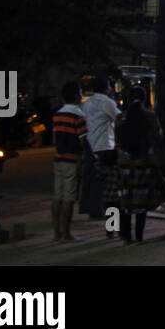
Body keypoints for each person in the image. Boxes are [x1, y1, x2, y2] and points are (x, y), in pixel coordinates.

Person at [117, 87, 165, 244]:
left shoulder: (121, 117)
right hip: (143, 161)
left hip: (125, 162)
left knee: (124, 201)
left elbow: (117, 138)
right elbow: (158, 136)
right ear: (144, 98)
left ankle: (125, 235)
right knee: (142, 202)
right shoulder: (150, 115)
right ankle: (139, 236)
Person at [80, 77, 122, 235]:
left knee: (94, 182)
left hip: (91, 147)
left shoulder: (88, 103)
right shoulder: (107, 102)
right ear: (106, 88)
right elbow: (119, 118)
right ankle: (112, 226)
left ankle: (95, 210)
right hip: (106, 147)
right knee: (111, 188)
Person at [51, 82, 87, 242]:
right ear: (75, 96)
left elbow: (54, 138)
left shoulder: (57, 114)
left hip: (58, 159)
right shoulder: (78, 115)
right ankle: (66, 233)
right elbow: (83, 139)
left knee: (57, 196)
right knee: (69, 197)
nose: (81, 95)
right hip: (72, 160)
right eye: (80, 92)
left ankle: (56, 233)